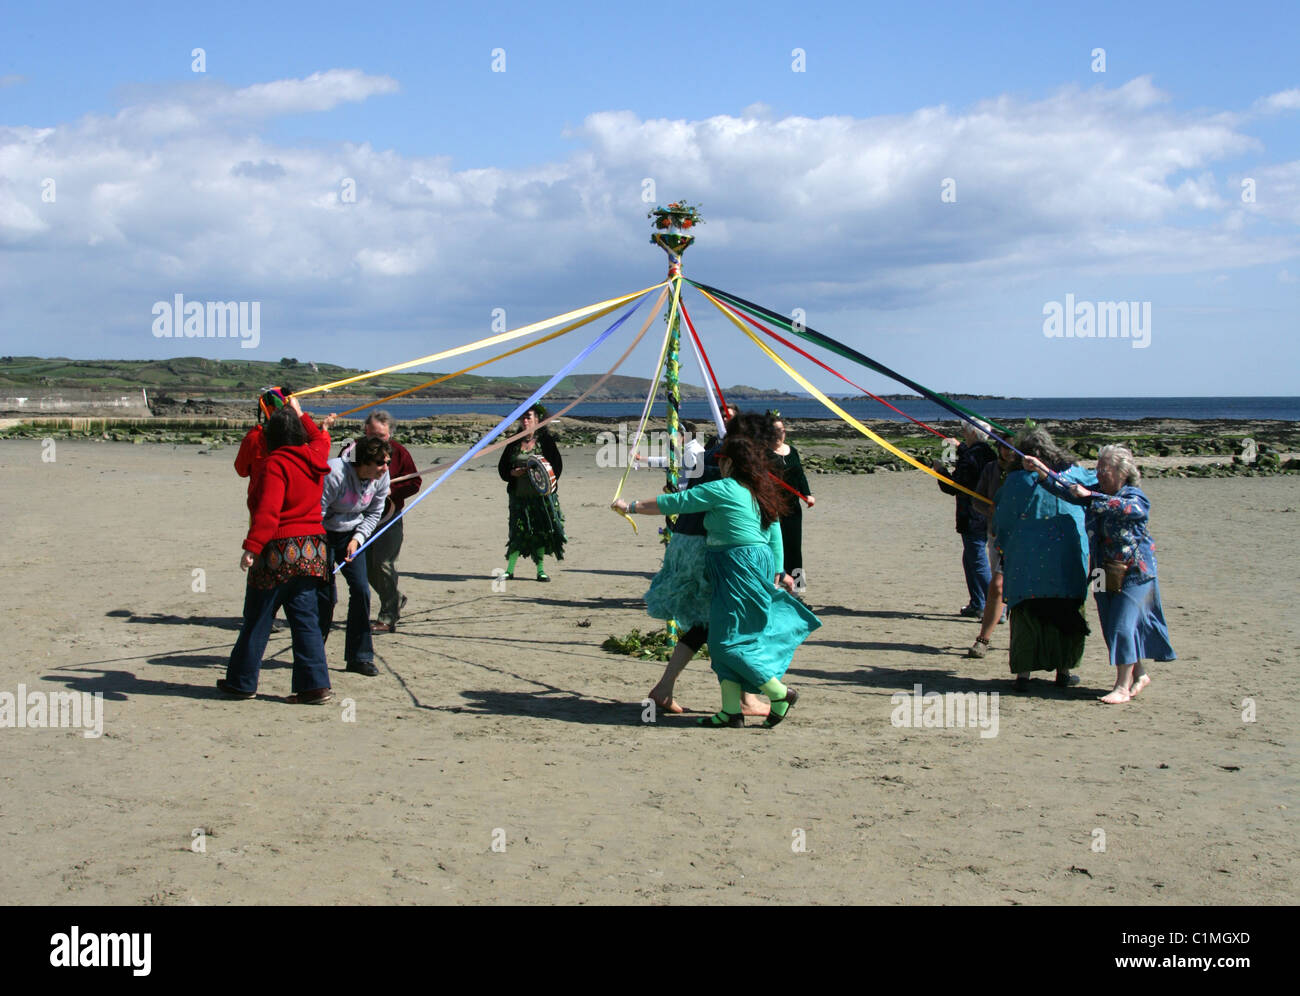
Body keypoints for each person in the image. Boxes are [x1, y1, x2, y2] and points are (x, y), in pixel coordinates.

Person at [615, 433, 821, 729]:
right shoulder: (759, 489)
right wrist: (777, 569)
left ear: (727, 463)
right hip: (744, 563)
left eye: (721, 460)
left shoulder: (723, 488)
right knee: (724, 635)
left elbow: (675, 502)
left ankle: (779, 693)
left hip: (738, 564)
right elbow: (774, 530)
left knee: (725, 642)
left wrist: (630, 506)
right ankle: (730, 712)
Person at [645, 411, 781, 717]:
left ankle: (664, 689)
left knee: (707, 625)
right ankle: (745, 700)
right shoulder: (742, 462)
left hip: (686, 542)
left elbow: (689, 496)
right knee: (732, 626)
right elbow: (762, 517)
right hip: (714, 549)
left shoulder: (711, 453)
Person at [1023, 445, 1176, 703]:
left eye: (1105, 468)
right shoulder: (1096, 494)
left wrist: (1091, 496)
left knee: (1122, 624)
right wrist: (1040, 469)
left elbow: (1131, 510)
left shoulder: (1134, 496)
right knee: (1110, 624)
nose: (1100, 473)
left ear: (1122, 472)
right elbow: (1064, 489)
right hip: (1101, 570)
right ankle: (1139, 674)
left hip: (1134, 573)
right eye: (1099, 467)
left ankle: (1122, 687)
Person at [219, 398, 334, 704]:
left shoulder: (274, 464)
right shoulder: (315, 457)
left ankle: (242, 682)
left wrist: (251, 547)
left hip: (279, 550)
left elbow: (268, 512)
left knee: (258, 617)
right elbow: (322, 439)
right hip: (313, 550)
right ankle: (314, 686)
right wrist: (301, 412)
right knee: (305, 620)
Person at [993, 426, 1097, 692]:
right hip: (1067, 559)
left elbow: (1002, 520)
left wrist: (1004, 546)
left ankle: (1025, 676)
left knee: (1029, 615)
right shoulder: (1073, 476)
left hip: (1029, 560)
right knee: (1065, 613)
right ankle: (1063, 671)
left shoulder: (1018, 481)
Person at [319, 435, 391, 676]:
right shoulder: (334, 473)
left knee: (361, 590)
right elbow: (316, 512)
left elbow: (375, 512)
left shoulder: (381, 477)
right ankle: (314, 652)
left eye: (387, 462)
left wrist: (357, 539)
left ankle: (359, 657)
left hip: (352, 535)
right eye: (381, 463)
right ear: (364, 463)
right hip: (322, 535)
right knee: (325, 596)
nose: (385, 467)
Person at [343, 411, 421, 633]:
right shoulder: (352, 449)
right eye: (374, 435)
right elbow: (342, 475)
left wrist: (391, 490)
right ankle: (395, 599)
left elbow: (415, 482)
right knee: (366, 568)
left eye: (383, 436)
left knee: (383, 564)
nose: (378, 440)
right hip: (358, 517)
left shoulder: (400, 452)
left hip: (388, 517)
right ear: (366, 431)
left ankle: (388, 615)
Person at [933, 419, 997, 617]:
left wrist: (940, 471)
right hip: (986, 513)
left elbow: (953, 486)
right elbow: (974, 461)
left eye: (965, 431)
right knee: (970, 558)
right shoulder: (988, 452)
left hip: (972, 514)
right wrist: (959, 447)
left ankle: (994, 608)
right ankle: (978, 603)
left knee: (977, 558)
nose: (963, 434)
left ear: (972, 433)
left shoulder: (972, 457)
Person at [498, 404, 566, 581]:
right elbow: (503, 468)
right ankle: (509, 570)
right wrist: (513, 473)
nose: (525, 420)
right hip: (519, 496)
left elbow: (556, 468)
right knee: (517, 531)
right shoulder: (514, 442)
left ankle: (540, 570)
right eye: (523, 417)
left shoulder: (546, 442)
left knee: (540, 532)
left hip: (541, 498)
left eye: (529, 416)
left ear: (538, 420)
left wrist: (542, 476)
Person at [967, 441, 1016, 658]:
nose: (1008, 452)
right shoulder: (991, 469)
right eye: (1005, 447)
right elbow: (976, 499)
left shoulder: (1026, 471)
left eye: (1013, 448)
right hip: (996, 535)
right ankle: (983, 639)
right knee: (997, 586)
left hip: (1022, 538)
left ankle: (1014, 639)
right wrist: (992, 511)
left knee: (1010, 587)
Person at [767, 411, 815, 592]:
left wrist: (808, 495)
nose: (781, 433)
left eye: (783, 430)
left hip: (793, 507)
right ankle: (776, 586)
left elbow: (800, 476)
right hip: (772, 507)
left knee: (794, 547)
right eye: (777, 430)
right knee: (775, 548)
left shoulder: (792, 451)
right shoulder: (763, 453)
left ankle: (799, 588)